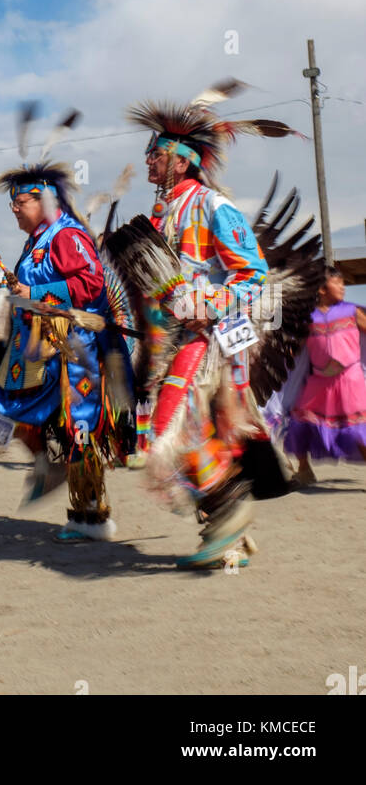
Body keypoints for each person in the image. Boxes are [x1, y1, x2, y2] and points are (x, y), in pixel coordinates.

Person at [108, 80, 311, 569]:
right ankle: (226, 536)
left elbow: (253, 276)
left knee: (176, 431)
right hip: (178, 339)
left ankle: (228, 520)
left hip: (211, 339)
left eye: (156, 153)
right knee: (192, 435)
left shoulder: (212, 206)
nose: (149, 160)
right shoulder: (166, 210)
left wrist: (207, 301)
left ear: (181, 161)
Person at [0, 106, 121, 542]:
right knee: (21, 415)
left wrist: (35, 294)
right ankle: (70, 494)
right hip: (37, 351)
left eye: (20, 202)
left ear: (42, 199)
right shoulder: (35, 243)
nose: (15, 211)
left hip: (72, 351)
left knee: (76, 428)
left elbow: (91, 282)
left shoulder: (67, 235)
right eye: (13, 204)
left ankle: (92, 514)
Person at [283, 267, 366, 483]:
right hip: (320, 382)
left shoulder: (352, 311)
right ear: (321, 288)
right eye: (337, 283)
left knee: (359, 429)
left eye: (343, 284)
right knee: (299, 423)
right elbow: (298, 346)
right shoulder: (309, 317)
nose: (342, 288)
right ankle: (304, 470)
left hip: (351, 379)